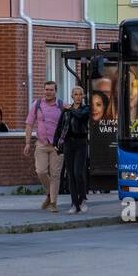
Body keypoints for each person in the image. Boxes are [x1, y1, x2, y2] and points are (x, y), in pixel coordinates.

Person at [24, 80, 65, 211]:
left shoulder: (61, 105)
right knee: (41, 171)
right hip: (41, 143)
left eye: (51, 90)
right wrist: (27, 143)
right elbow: (29, 124)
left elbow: (71, 119)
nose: (48, 92)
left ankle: (53, 203)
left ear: (55, 91)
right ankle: (49, 193)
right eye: (46, 89)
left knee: (55, 174)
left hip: (57, 146)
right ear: (44, 90)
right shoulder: (37, 105)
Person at [59, 84, 91, 214]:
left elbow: (80, 116)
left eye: (80, 94)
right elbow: (61, 126)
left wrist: (70, 108)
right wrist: (57, 141)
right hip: (68, 143)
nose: (78, 96)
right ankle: (74, 203)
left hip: (81, 143)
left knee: (78, 172)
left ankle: (82, 198)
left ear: (83, 96)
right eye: (75, 94)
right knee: (70, 174)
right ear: (72, 96)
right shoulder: (66, 111)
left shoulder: (86, 108)